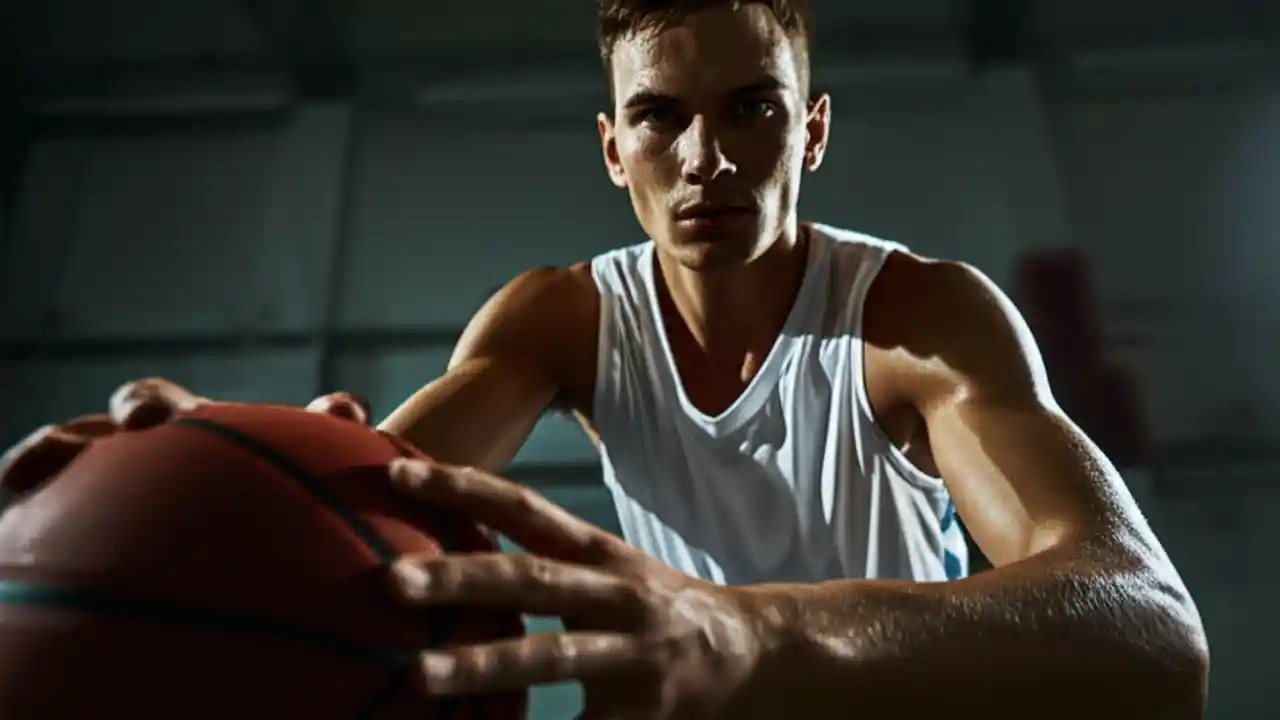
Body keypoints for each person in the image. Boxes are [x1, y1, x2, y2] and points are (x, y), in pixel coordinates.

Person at [0, 2, 1209, 718]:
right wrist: (197, 474)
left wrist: (743, 632)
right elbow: (373, 500)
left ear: (814, 128)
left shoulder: (915, 320)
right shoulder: (562, 319)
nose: (707, 160)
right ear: (610, 146)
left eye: (751, 108)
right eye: (659, 117)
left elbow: (1149, 634)